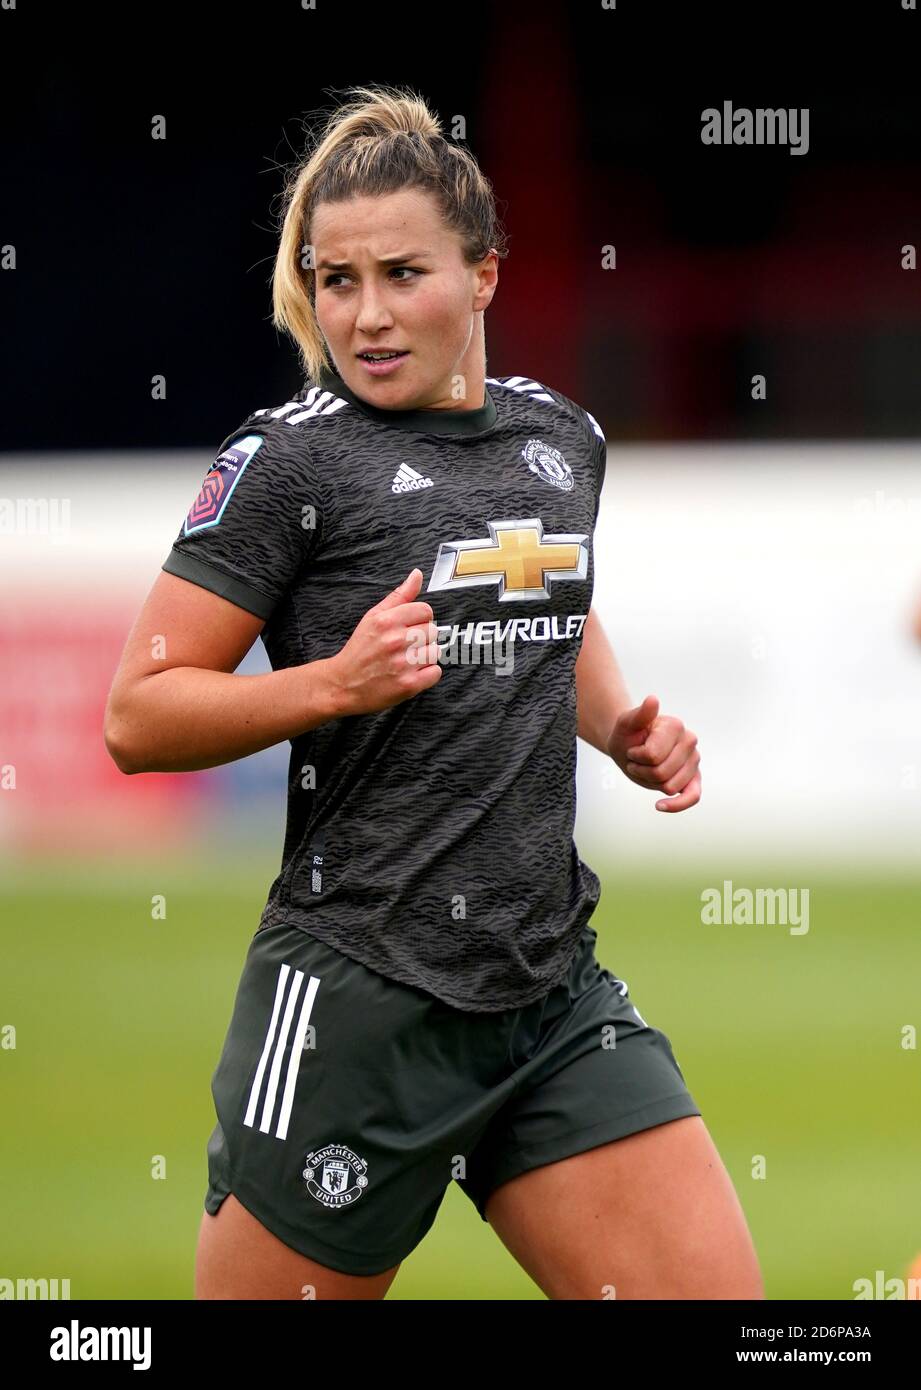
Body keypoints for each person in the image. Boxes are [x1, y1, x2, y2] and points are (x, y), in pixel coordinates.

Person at [103, 84, 763, 1301]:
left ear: (485, 278)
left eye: (403, 274)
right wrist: (330, 685)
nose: (366, 314)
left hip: (548, 996)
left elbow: (543, 589)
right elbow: (137, 716)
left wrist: (616, 723)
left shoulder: (562, 439)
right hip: (356, 1003)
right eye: (336, 281)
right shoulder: (288, 459)